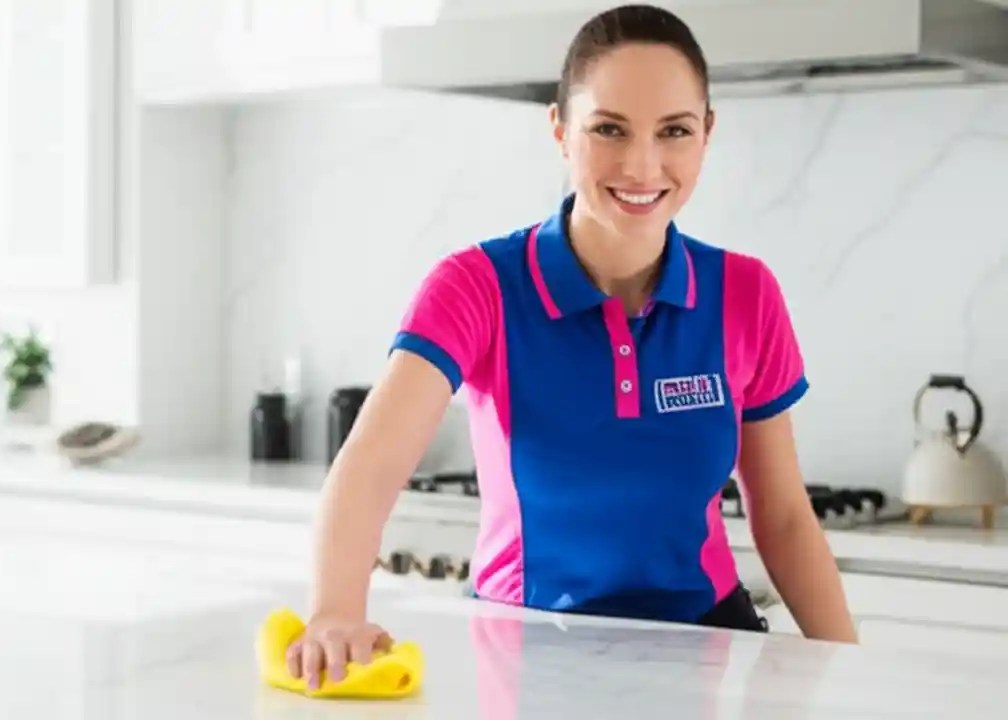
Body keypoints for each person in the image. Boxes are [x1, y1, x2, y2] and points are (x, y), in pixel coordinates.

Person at [287, 3, 858, 689]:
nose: (642, 165)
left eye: (673, 131)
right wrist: (333, 613)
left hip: (706, 648)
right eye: (608, 130)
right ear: (560, 130)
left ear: (706, 134)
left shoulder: (744, 292)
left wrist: (848, 670)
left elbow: (786, 516)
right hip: (524, 653)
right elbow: (369, 469)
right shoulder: (478, 287)